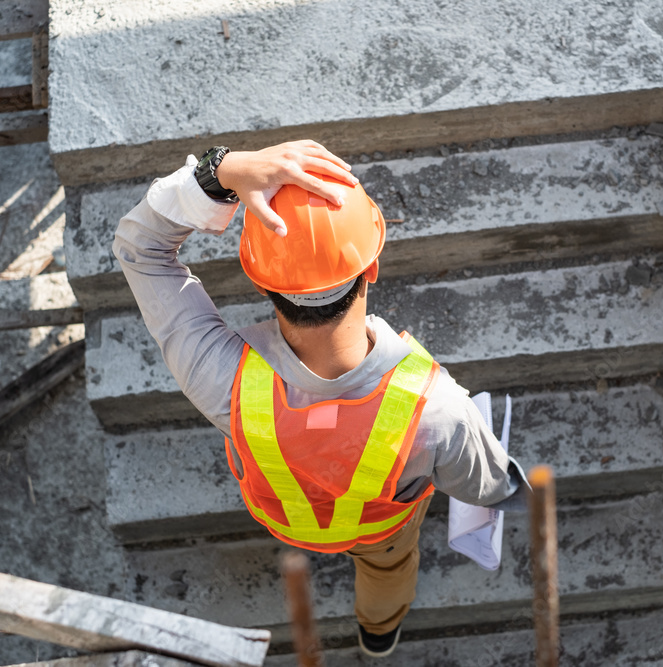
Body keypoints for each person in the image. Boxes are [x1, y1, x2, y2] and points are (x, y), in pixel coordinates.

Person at [113, 140, 528, 658]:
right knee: (387, 570)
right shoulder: (438, 410)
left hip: (284, 517)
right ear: (370, 268)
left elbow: (141, 247)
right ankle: (378, 634)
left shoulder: (221, 377)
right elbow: (488, 488)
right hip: (381, 530)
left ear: (262, 281)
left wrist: (218, 172)